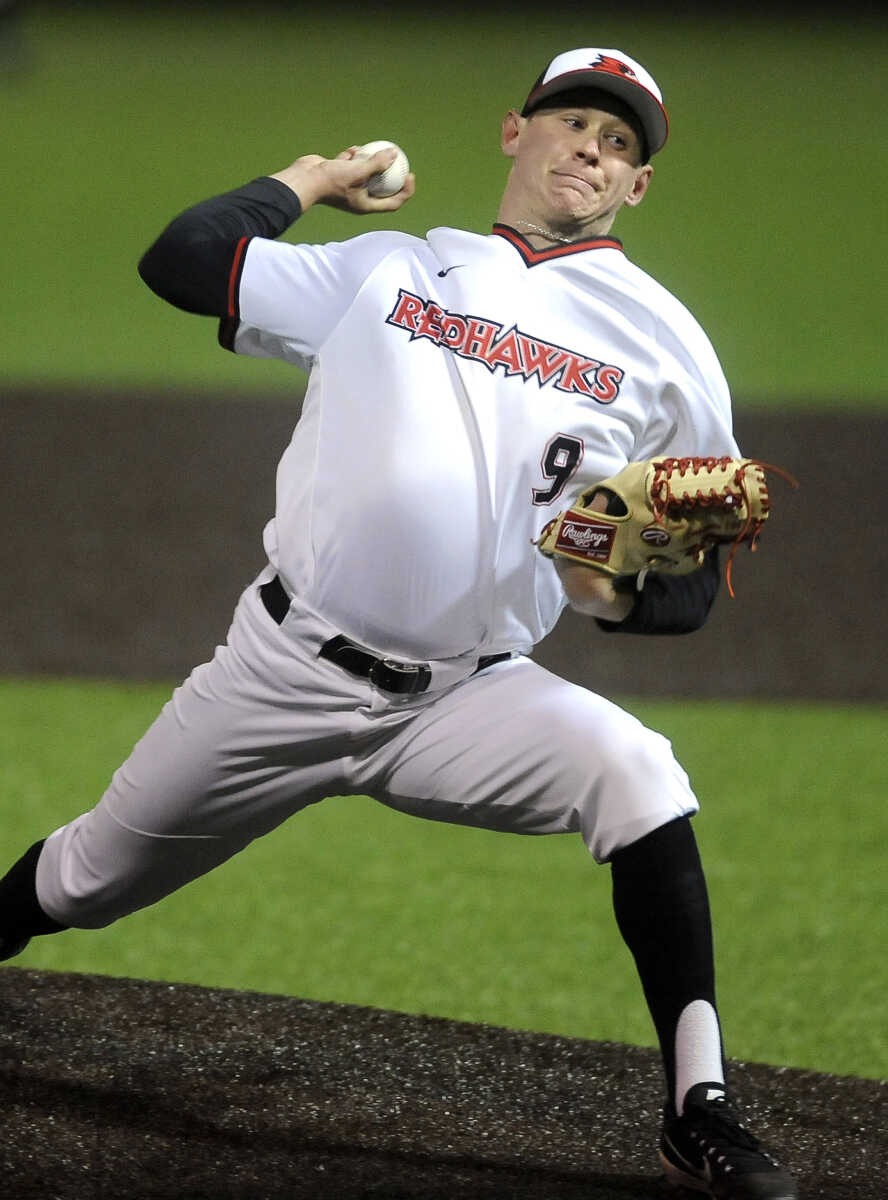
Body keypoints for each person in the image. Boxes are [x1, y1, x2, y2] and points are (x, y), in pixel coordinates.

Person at [0, 48, 798, 1199]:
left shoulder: (669, 343)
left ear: (638, 189)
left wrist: (614, 594)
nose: (594, 148)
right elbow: (179, 262)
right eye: (574, 122)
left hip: (468, 697)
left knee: (640, 772)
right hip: (282, 670)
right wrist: (314, 178)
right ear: (513, 135)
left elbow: (696, 564)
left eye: (621, 144)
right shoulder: (384, 271)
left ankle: (700, 1104)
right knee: (82, 879)